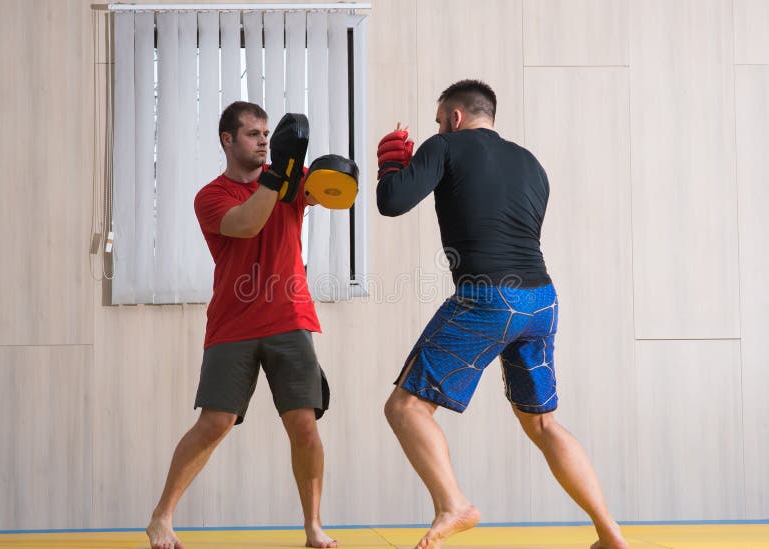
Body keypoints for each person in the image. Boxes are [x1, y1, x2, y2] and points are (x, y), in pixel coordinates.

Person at [376, 80, 628, 549]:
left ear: (454, 117)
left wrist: (392, 164)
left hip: (489, 299)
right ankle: (610, 533)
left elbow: (391, 203)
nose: (437, 129)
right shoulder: (531, 163)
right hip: (542, 301)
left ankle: (453, 504)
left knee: (405, 408)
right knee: (542, 422)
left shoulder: (444, 146)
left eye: (438, 121)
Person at [146, 101, 338, 549]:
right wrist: (278, 177)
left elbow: (337, 194)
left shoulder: (292, 180)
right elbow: (248, 225)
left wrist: (364, 168)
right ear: (227, 140)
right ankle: (161, 517)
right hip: (233, 323)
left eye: (267, 133)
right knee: (215, 421)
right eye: (252, 133)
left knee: (304, 426)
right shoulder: (211, 196)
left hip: (289, 317)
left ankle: (313, 527)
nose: (264, 140)